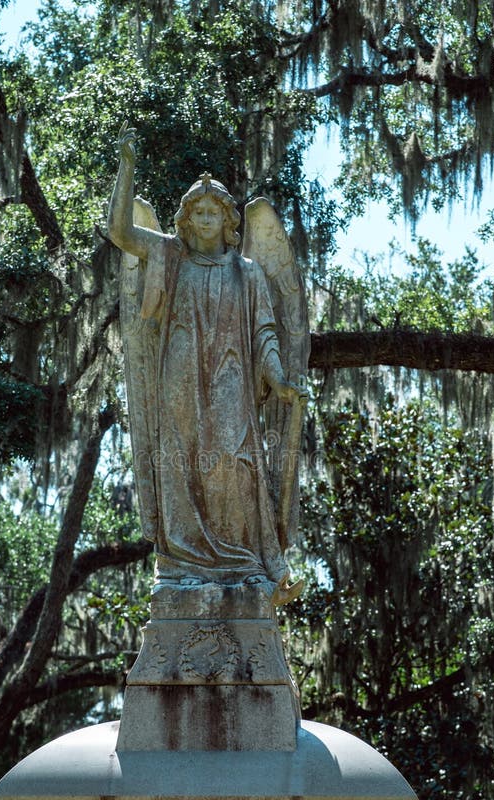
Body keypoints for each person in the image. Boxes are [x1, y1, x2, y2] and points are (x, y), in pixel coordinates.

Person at [107, 126, 306, 599]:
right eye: (196, 212)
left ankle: (249, 564)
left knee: (236, 461)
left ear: (227, 218)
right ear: (186, 220)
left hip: (232, 378)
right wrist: (127, 167)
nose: (204, 219)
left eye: (212, 212)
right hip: (179, 376)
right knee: (183, 462)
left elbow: (265, 333)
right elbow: (120, 232)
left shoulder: (248, 272)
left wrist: (279, 380)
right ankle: (181, 564)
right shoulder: (168, 254)